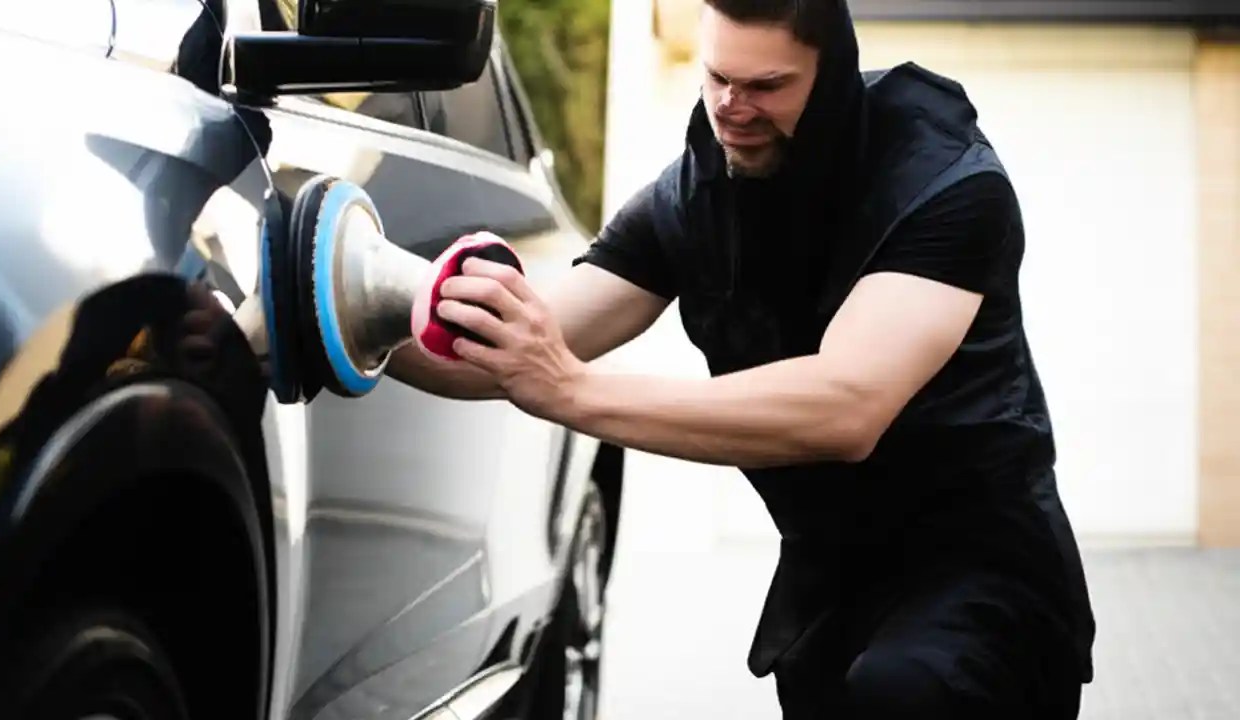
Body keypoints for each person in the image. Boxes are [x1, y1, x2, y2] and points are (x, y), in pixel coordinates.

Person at [386, 0, 1096, 716]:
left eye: (767, 86)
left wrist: (570, 392)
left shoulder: (944, 183)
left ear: (832, 76)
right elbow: (510, 351)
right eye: (718, 77)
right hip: (831, 591)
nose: (734, 107)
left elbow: (845, 407)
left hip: (983, 581)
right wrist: (352, 314)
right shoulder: (693, 196)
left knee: (903, 689)